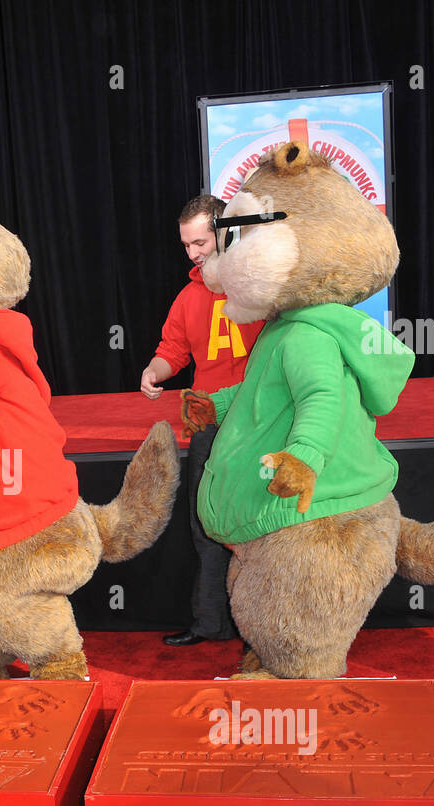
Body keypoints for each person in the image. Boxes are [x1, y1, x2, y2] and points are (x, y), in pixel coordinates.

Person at [139, 194, 265, 647]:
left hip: (259, 419)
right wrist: (155, 371)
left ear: (225, 230)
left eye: (200, 241)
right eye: (187, 245)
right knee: (205, 520)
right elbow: (173, 351)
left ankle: (261, 627)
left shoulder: (260, 284)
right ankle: (210, 622)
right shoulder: (189, 297)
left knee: (262, 521)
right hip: (208, 420)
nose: (193, 253)